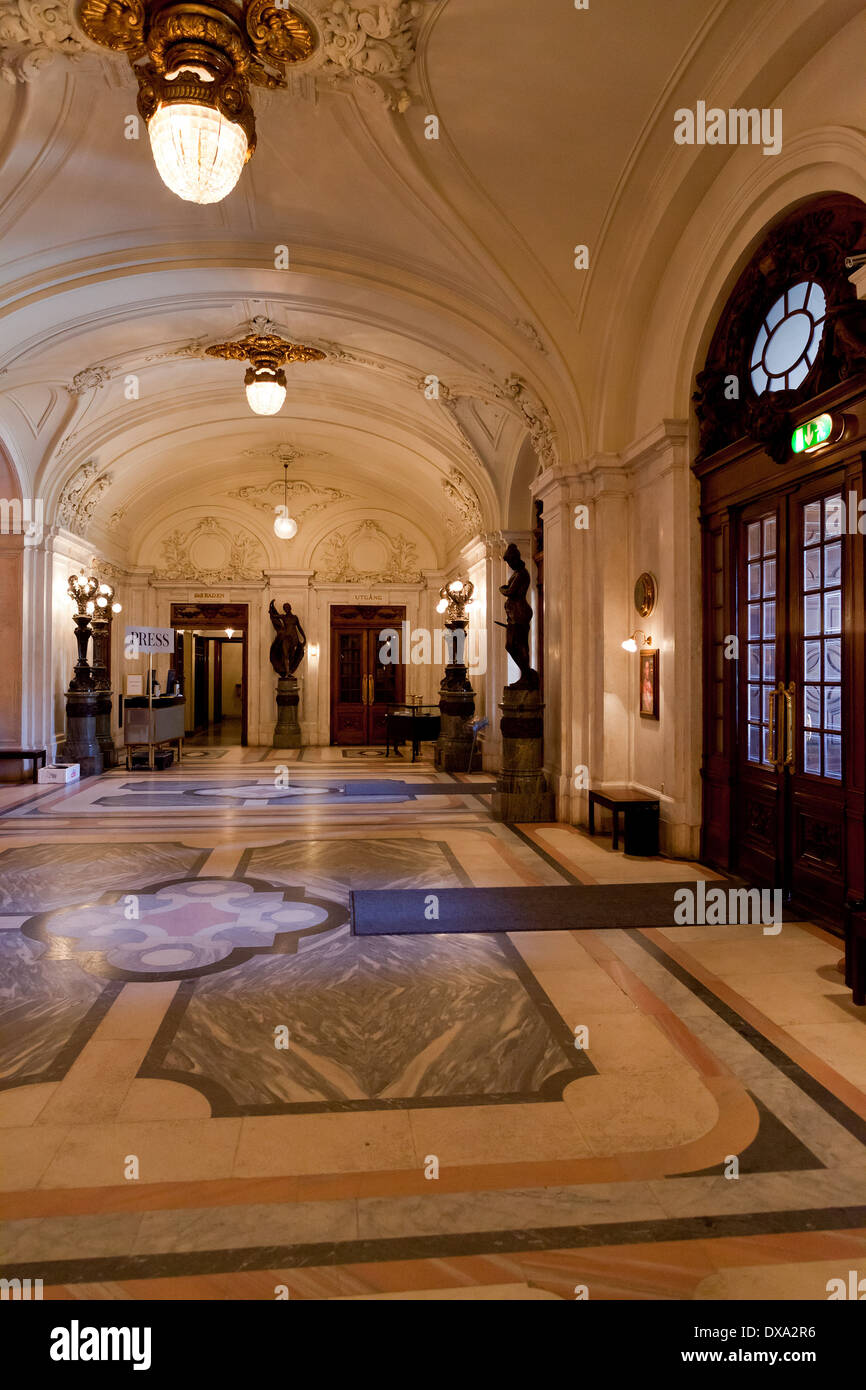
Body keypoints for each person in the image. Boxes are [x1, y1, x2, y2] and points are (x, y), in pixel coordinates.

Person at [268, 600, 307, 677]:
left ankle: (289, 671)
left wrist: (304, 638)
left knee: (292, 656)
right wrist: (271, 606)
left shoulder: (295, 618)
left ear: (290, 608)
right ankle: (287, 672)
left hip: (294, 639)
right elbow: (273, 616)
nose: (286, 609)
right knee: (285, 655)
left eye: (287, 607)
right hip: (286, 638)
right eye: (285, 608)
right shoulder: (283, 617)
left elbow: (299, 628)